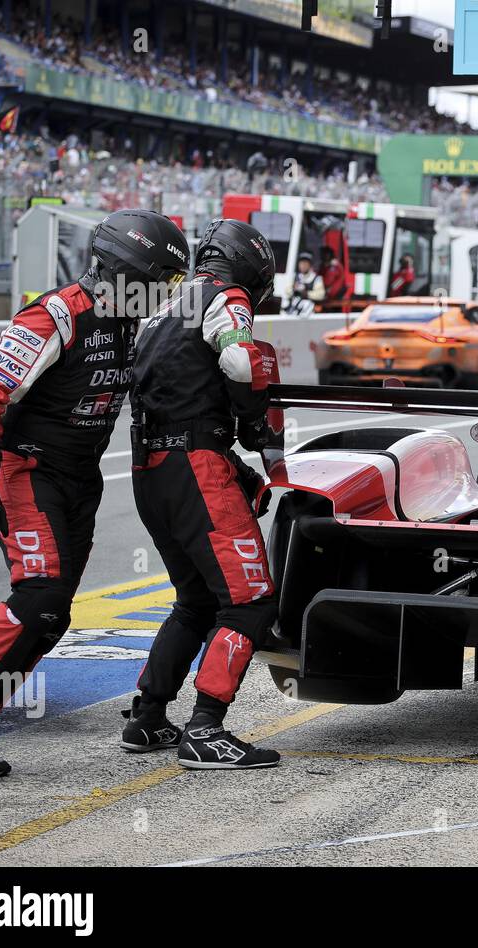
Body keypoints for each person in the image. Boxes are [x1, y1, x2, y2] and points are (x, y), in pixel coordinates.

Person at [0, 210, 188, 777]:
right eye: (160, 282)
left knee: (52, 618)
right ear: (126, 272)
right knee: (39, 596)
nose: (163, 296)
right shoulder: (53, 317)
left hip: (81, 481)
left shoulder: (131, 323)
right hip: (26, 472)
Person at [123, 218, 281, 770]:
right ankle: (206, 727)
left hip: (148, 469)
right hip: (197, 467)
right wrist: (253, 415)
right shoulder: (226, 296)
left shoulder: (161, 308)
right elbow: (240, 360)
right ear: (248, 269)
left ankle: (147, 718)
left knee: (194, 599)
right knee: (251, 601)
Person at [288, 251, 324, 315]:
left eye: (305, 263)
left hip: (309, 310)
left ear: (310, 265)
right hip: (294, 308)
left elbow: (320, 295)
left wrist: (306, 294)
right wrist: (293, 289)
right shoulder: (295, 277)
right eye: (301, 263)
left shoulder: (316, 278)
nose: (303, 265)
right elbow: (287, 291)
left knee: (306, 304)